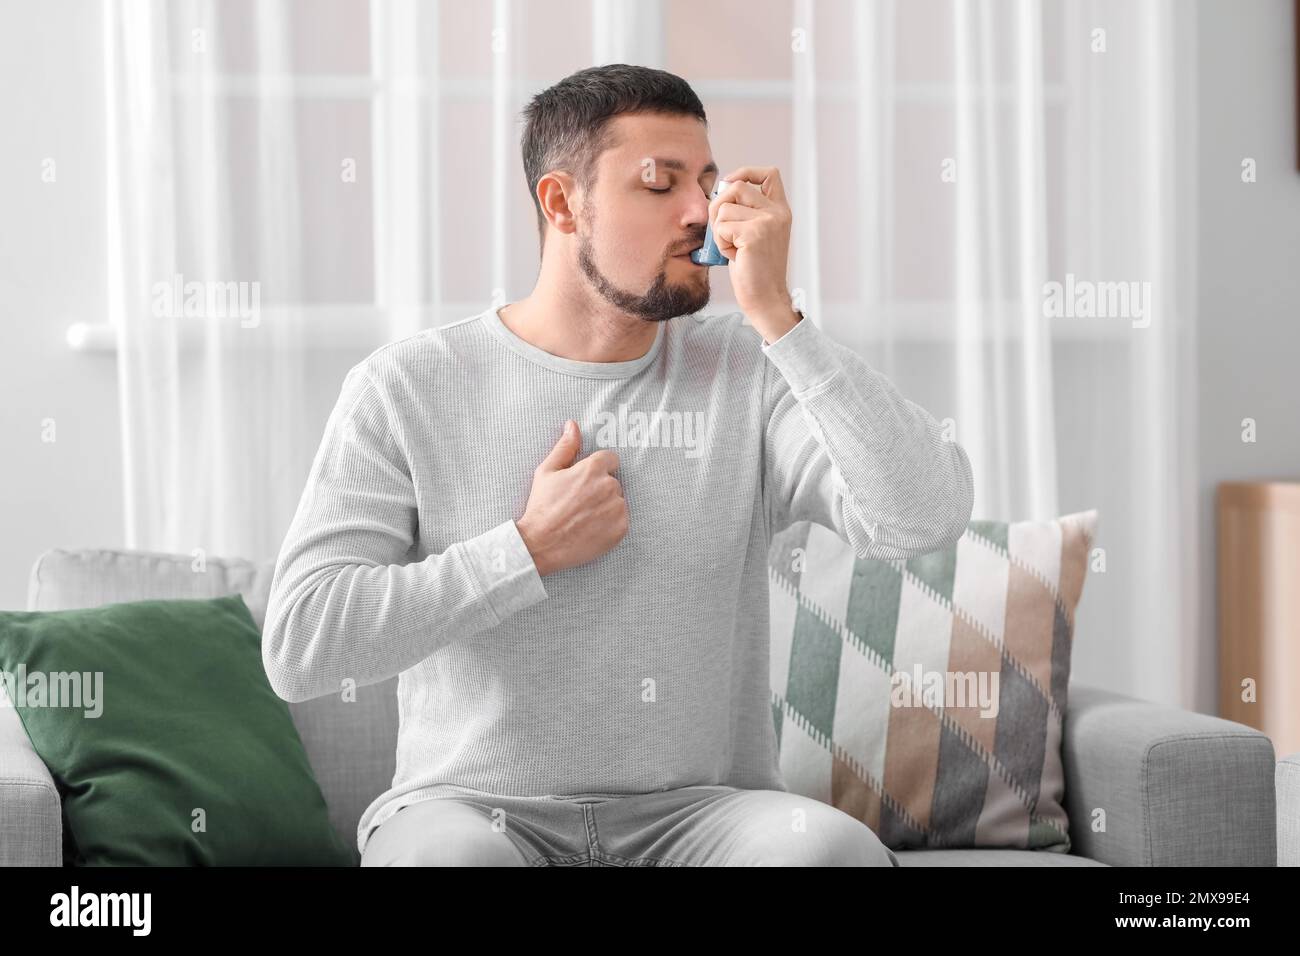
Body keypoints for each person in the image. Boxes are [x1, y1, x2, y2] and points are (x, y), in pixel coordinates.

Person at [262, 63, 973, 866]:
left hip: (700, 815)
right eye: (659, 184)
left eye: (706, 182)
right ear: (562, 204)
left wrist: (780, 316)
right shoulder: (408, 386)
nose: (700, 213)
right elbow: (301, 645)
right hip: (469, 812)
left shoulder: (750, 370)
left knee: (830, 853)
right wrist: (526, 551)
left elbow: (923, 515)